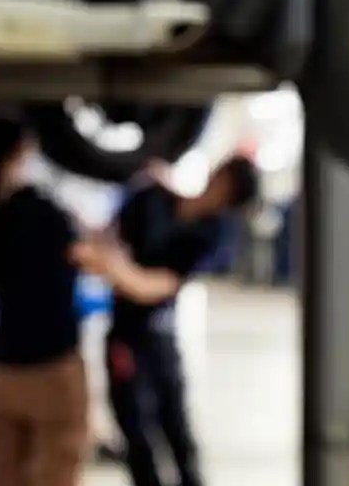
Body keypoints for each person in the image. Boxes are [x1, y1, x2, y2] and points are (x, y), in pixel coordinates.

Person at [73, 155, 259, 486]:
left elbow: (155, 286)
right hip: (125, 334)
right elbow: (108, 236)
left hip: (158, 334)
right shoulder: (153, 198)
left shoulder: (212, 234)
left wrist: (112, 265)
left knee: (176, 427)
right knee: (135, 428)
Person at [0, 118, 88, 486]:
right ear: (24, 148)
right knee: (54, 473)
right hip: (51, 366)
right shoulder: (44, 213)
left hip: (0, 367)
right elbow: (86, 254)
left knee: (5, 473)